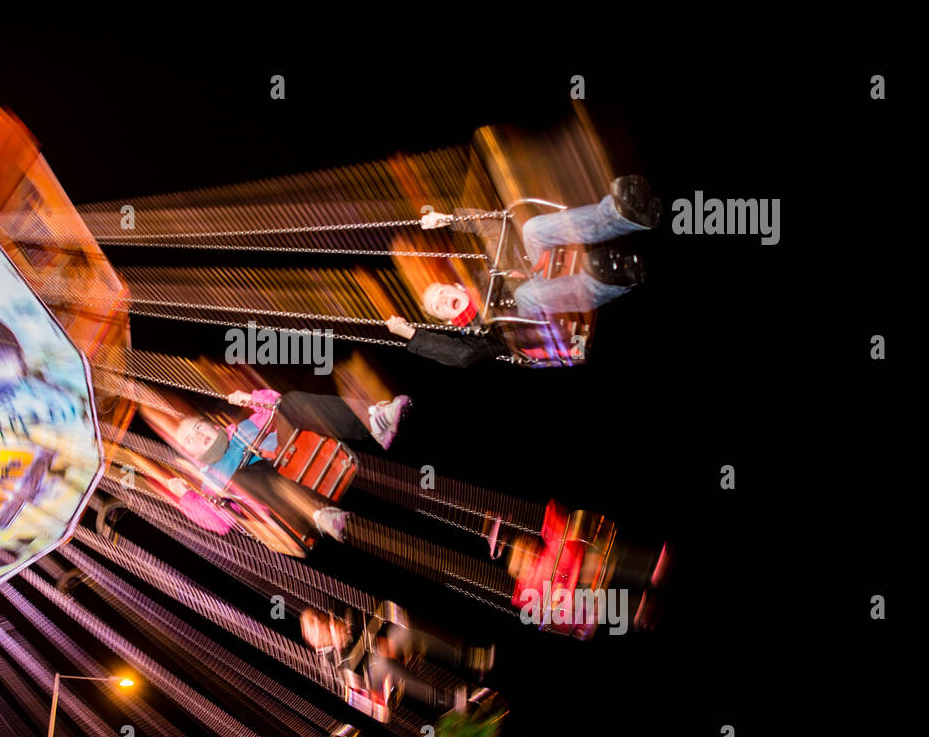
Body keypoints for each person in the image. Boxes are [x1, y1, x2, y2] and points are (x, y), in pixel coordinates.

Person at [387, 176, 661, 367]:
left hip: (547, 284)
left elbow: (493, 228)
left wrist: (449, 219)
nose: (444, 300)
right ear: (447, 322)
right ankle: (606, 280)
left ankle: (621, 213)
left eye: (442, 292)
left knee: (532, 230)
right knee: (528, 296)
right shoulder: (481, 334)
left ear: (457, 287)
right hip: (555, 328)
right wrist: (413, 336)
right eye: (439, 306)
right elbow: (460, 357)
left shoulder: (488, 278)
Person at [165, 387, 409, 543]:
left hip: (296, 457)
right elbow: (220, 523)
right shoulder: (212, 485)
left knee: (289, 402)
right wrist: (186, 497)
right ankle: (318, 514)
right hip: (281, 496)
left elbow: (275, 402)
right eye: (190, 440)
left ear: (213, 426)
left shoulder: (246, 428)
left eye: (198, 427)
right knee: (245, 478)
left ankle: (374, 422)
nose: (197, 436)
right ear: (192, 454)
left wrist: (251, 398)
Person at [299, 605, 494, 720]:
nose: (322, 625)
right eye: (314, 627)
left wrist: (350, 630)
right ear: (312, 640)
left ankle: (470, 659)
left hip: (384, 649)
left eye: (319, 619)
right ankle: (447, 702)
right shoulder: (327, 662)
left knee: (407, 632)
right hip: (374, 687)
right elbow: (353, 683)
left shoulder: (343, 618)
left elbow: (370, 620)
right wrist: (342, 645)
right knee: (382, 663)